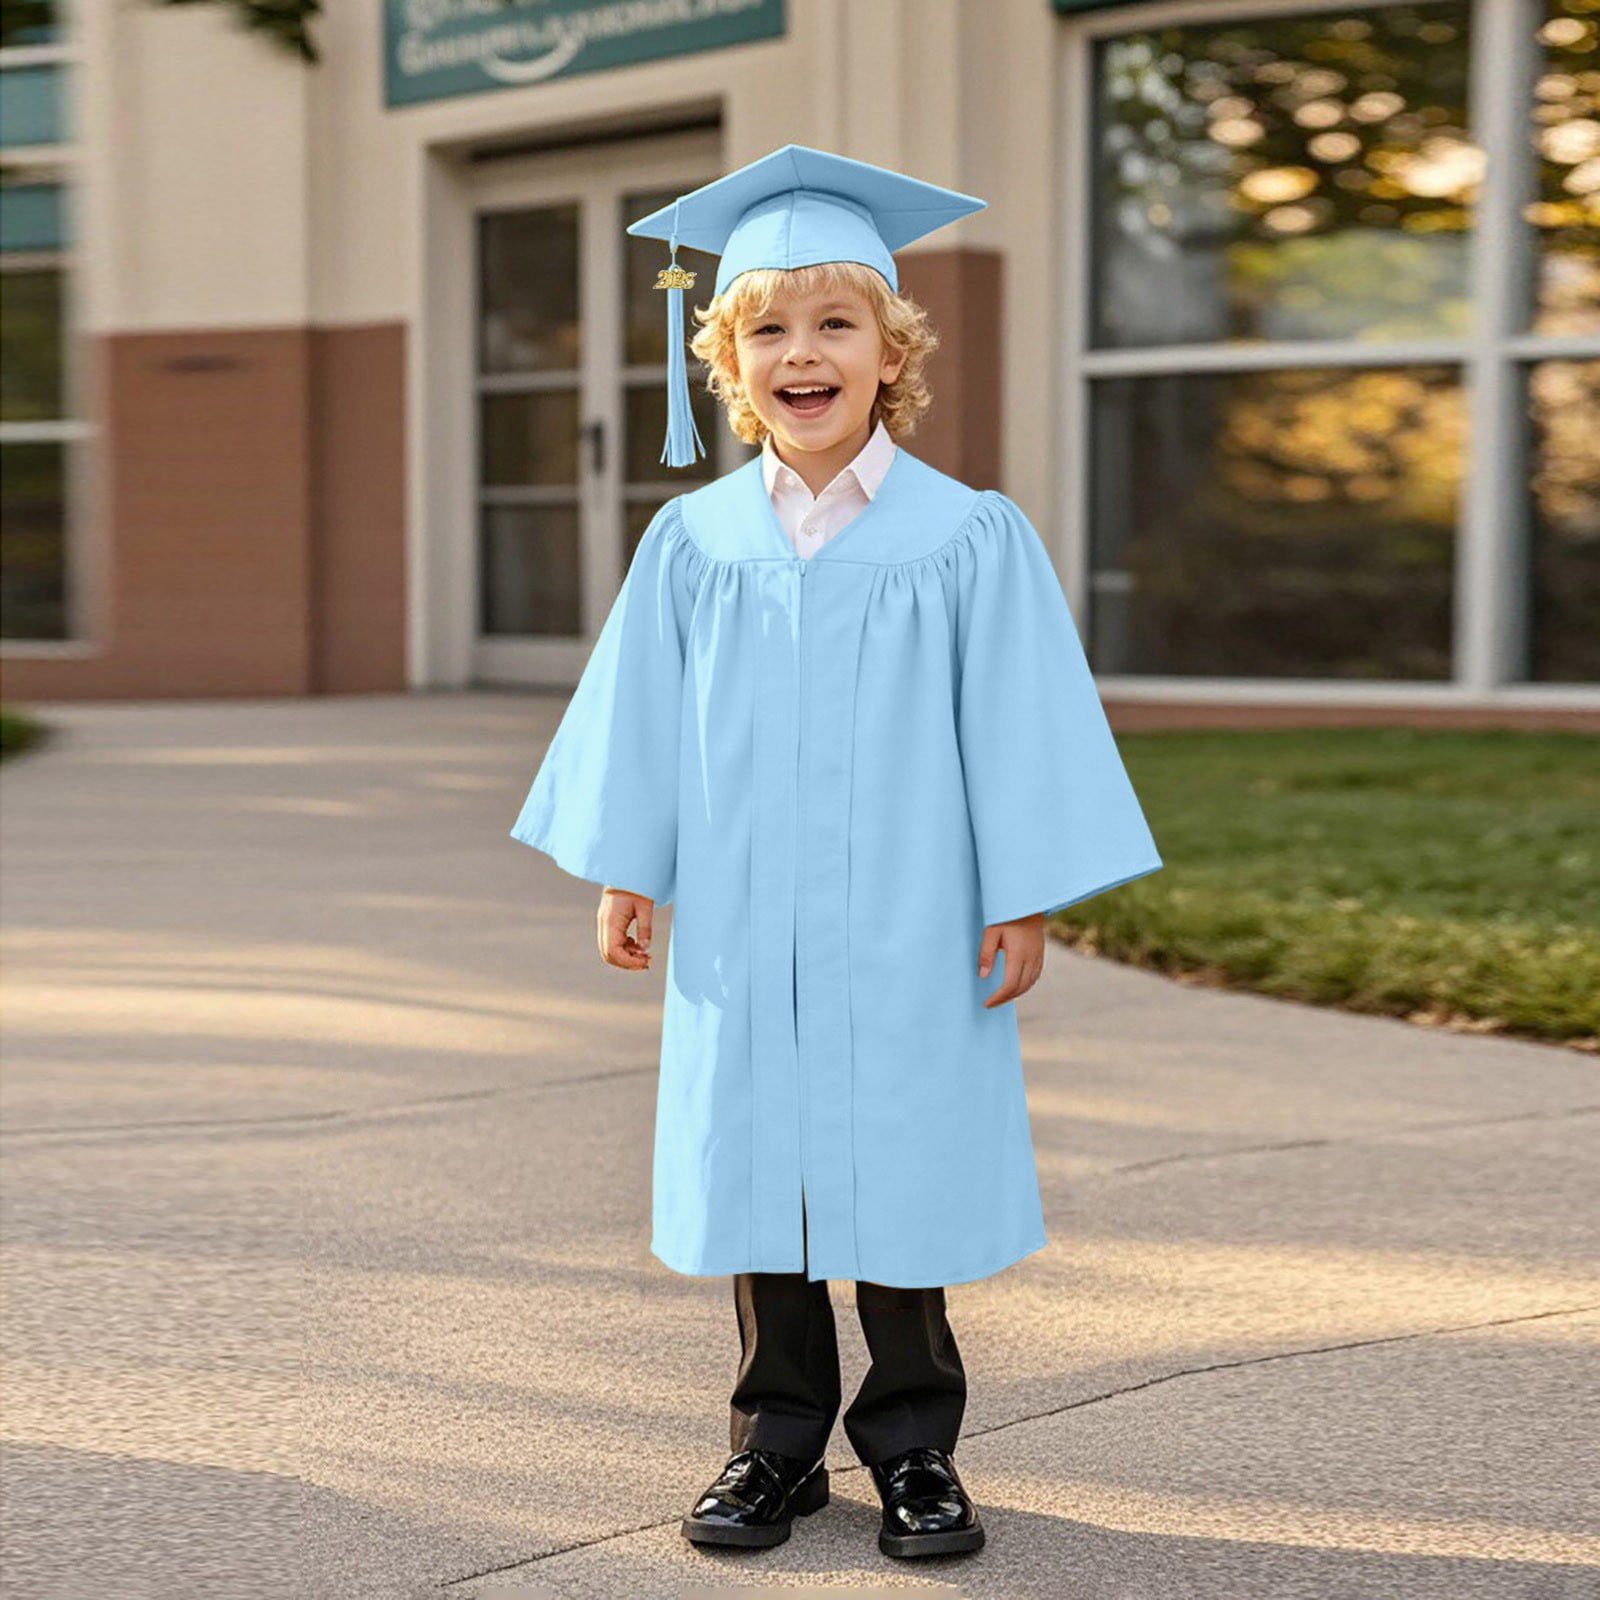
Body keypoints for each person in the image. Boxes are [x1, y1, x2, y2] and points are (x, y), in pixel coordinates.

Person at [509, 145, 1164, 1562]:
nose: (799, 353)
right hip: (747, 920)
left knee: (906, 1174)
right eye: (767, 329)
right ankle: (776, 1450)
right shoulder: (694, 543)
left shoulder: (966, 538)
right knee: (765, 1174)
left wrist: (1022, 891)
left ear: (890, 352)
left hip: (912, 913)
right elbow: (644, 723)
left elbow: (1019, 722)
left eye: (833, 324)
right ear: (729, 366)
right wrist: (632, 866)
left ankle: (917, 1451)